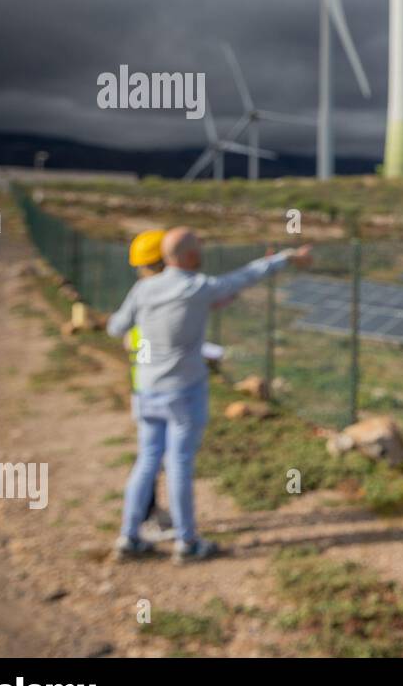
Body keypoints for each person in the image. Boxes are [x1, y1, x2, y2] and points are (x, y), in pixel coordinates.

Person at [106, 227, 312, 563]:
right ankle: (187, 543)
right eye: (199, 247)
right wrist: (285, 258)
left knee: (146, 462)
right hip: (183, 392)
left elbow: (116, 327)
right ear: (188, 256)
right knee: (179, 464)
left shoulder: (143, 290)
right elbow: (245, 277)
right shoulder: (197, 287)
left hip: (145, 390)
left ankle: (128, 538)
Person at [124, 229, 172, 541]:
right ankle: (147, 518)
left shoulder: (141, 295)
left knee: (152, 456)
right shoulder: (158, 297)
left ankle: (143, 519)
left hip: (143, 388)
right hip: (161, 388)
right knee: (158, 458)